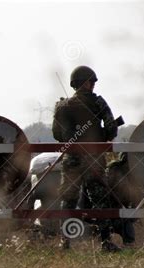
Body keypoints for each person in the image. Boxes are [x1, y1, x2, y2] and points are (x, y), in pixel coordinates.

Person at [52, 65, 121, 252]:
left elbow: (57, 134)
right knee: (100, 200)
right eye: (92, 82)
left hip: (71, 159)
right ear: (86, 83)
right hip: (94, 158)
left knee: (68, 200)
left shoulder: (62, 105)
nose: (93, 86)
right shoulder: (98, 102)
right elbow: (112, 129)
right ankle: (105, 242)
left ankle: (65, 242)